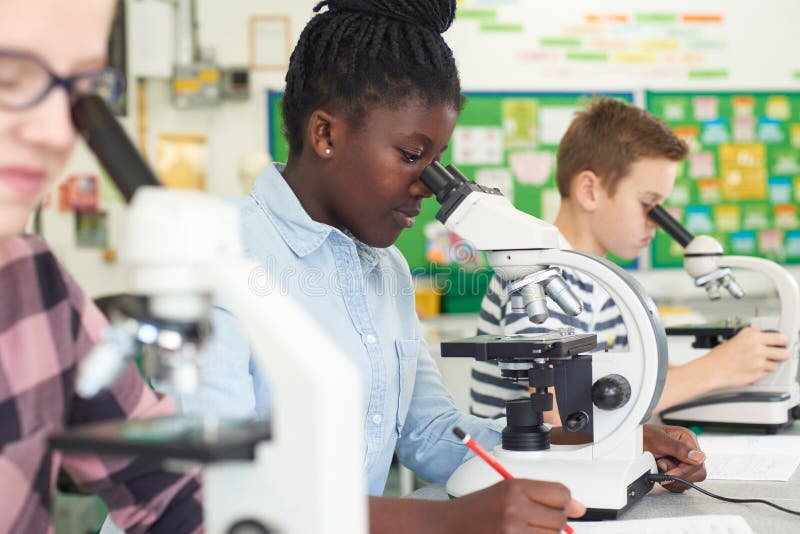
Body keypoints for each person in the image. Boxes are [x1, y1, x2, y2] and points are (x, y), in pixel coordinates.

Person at [177, 2, 706, 531]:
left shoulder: (385, 270)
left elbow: (431, 432)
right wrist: (447, 523)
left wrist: (596, 446)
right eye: (412, 155)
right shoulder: (215, 257)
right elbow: (213, 492)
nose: (427, 188)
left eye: (437, 162)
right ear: (326, 135)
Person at [0, 0, 202, 531]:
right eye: (6, 77)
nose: (55, 133)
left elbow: (169, 488)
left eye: (81, 91)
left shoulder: (35, 285)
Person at [470, 97, 790, 422]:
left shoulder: (602, 280)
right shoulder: (537, 275)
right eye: (648, 203)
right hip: (515, 469)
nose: (657, 222)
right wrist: (716, 369)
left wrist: (737, 371)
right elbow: (560, 409)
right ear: (590, 191)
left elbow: (627, 381)